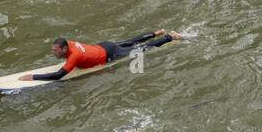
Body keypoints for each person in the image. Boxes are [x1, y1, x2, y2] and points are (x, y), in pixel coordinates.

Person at [20, 30, 179, 82]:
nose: (54, 53)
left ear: (64, 48)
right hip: (103, 45)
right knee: (130, 41)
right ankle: (155, 32)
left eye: (56, 50)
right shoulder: (68, 43)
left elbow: (58, 75)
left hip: (108, 53)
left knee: (140, 49)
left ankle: (169, 37)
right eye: (53, 50)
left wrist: (33, 77)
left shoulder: (73, 56)